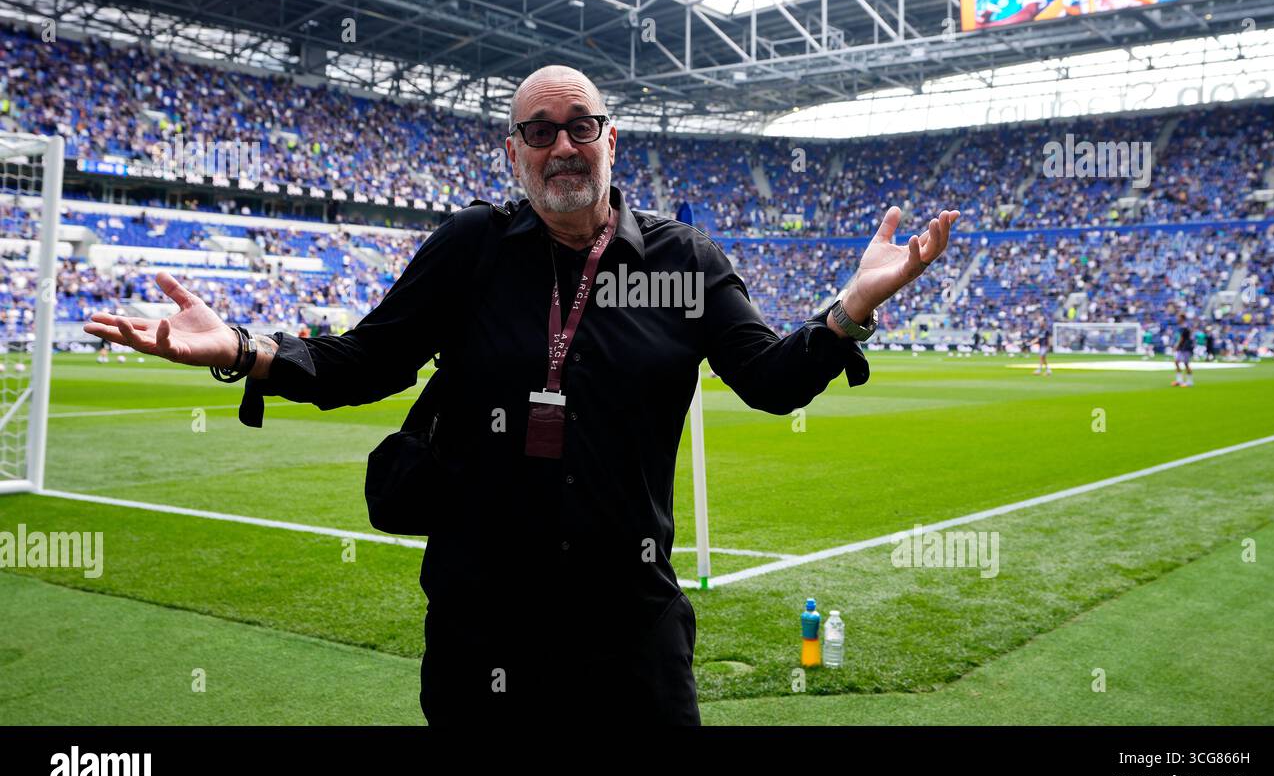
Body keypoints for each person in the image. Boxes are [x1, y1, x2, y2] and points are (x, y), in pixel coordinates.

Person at [82, 64, 960, 726]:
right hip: (485, 620)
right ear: (514, 154)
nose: (562, 145)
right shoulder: (471, 249)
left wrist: (851, 309)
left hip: (632, 620)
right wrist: (244, 347)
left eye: (581, 126)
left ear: (613, 140)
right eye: (538, 132)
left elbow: (770, 380)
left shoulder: (683, 262)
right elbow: (368, 362)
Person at [1172, 317, 1195, 387]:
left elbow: (1182, 338)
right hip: (1182, 347)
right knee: (1176, 361)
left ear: (1182, 319)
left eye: (1179, 318)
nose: (1177, 319)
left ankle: (1189, 382)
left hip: (1185, 347)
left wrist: (1176, 346)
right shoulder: (1182, 327)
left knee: (1186, 363)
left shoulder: (1185, 327)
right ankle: (1179, 380)